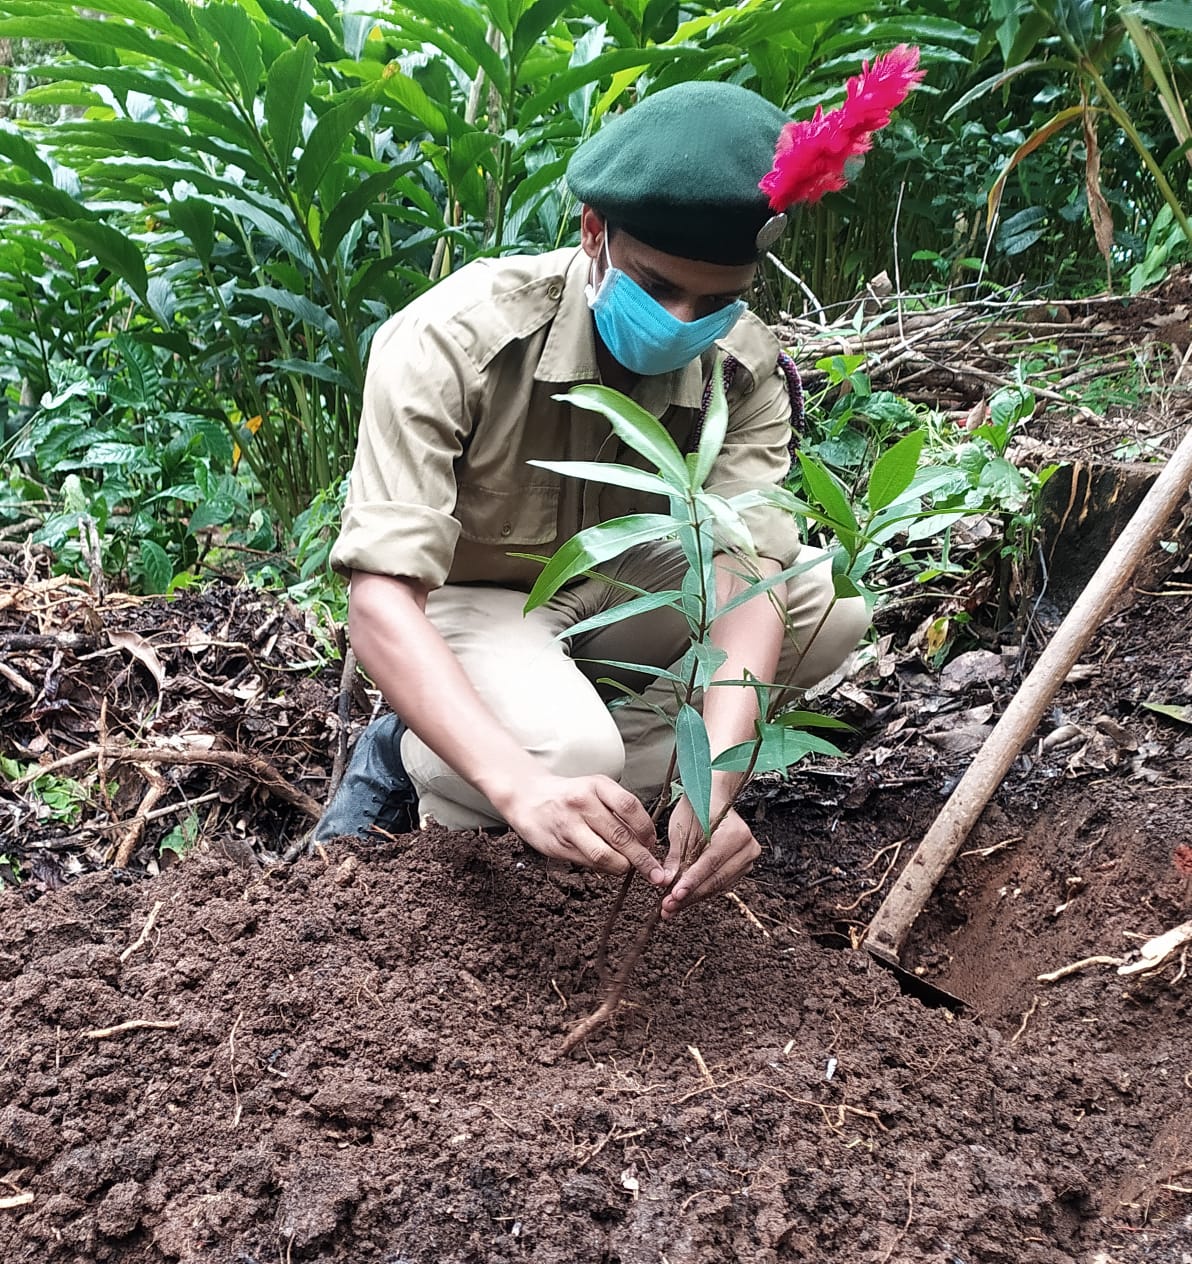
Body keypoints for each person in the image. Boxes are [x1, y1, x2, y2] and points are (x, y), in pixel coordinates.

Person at [314, 80, 878, 920]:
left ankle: (606, 777)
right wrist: (521, 786)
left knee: (822, 607)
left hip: (611, 600)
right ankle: (435, 758)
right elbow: (379, 602)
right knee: (570, 753)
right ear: (593, 235)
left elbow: (742, 569)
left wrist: (715, 776)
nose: (682, 320)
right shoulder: (457, 339)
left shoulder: (741, 367)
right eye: (656, 287)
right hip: (474, 604)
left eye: (715, 302)